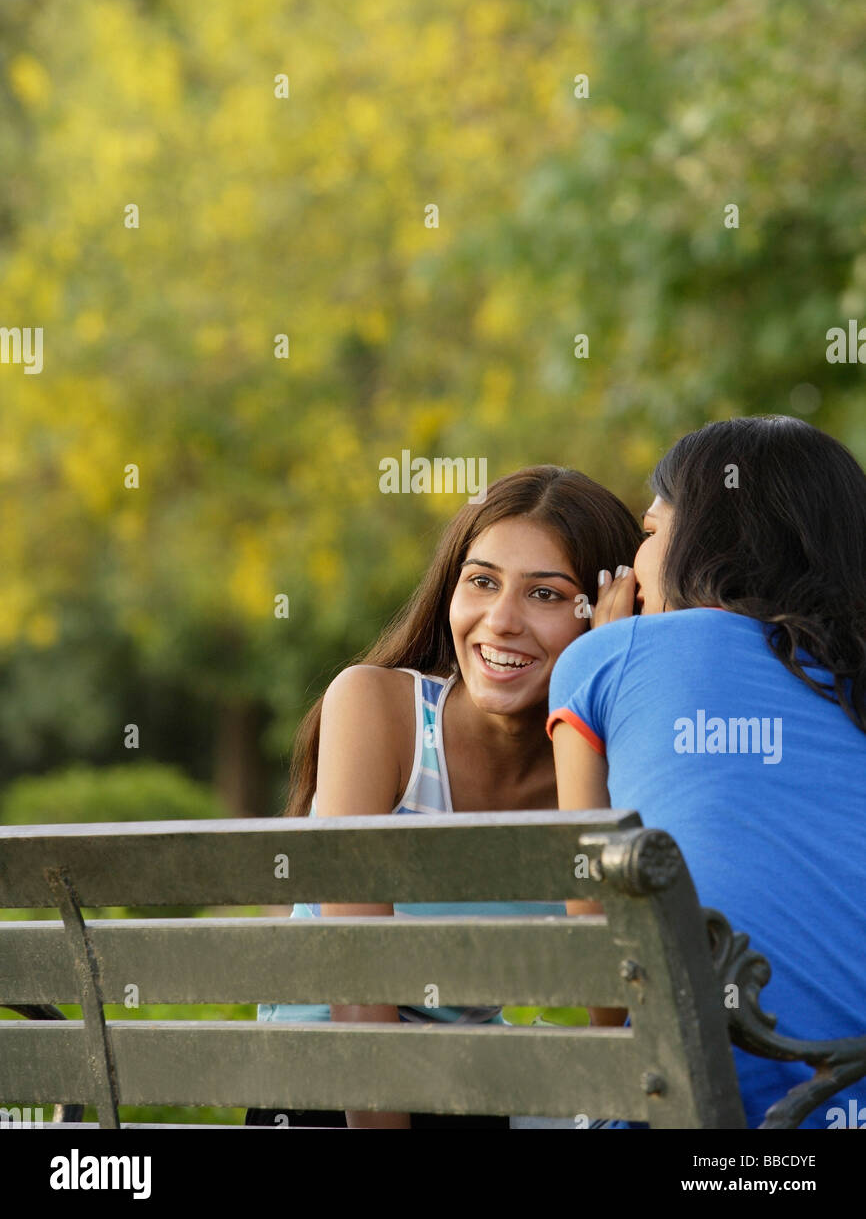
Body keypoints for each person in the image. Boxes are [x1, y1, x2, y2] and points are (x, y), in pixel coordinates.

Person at [247, 464, 643, 1129]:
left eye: (546, 595)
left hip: (466, 1098)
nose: (501, 620)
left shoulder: (598, 767)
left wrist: (594, 694)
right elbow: (357, 985)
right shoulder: (377, 708)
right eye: (482, 581)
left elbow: (613, 1012)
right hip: (328, 1095)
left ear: (603, 617)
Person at [548, 415, 866, 1129]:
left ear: (709, 543)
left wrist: (611, 651)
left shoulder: (604, 659)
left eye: (654, 532)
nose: (638, 557)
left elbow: (595, 928)